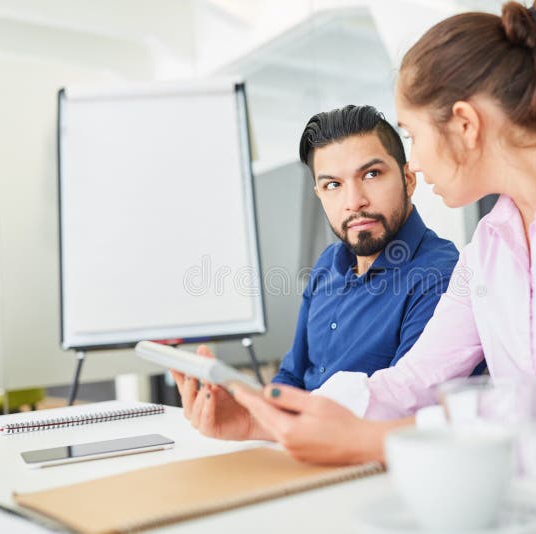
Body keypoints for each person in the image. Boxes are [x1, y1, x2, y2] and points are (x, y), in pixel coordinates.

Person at [174, 0, 536, 471]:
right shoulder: (490, 247)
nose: (413, 161)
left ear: (465, 125)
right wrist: (261, 421)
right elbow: (411, 381)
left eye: (413, 136)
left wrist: (371, 442)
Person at [169, 105, 459, 442]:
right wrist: (250, 415)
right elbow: (292, 375)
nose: (354, 201)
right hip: (299, 449)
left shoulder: (439, 275)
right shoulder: (327, 266)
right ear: (319, 194)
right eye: (333, 184)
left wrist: (265, 424)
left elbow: (406, 410)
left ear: (408, 179)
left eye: (371, 175)